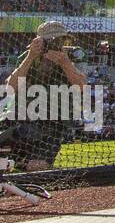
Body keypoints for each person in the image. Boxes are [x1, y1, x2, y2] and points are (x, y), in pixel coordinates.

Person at [3, 21, 87, 172]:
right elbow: (10, 88)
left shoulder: (71, 57)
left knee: (37, 167)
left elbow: (82, 87)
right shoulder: (28, 56)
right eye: (53, 40)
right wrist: (30, 58)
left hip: (53, 123)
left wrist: (65, 62)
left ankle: (21, 166)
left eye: (62, 40)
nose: (57, 44)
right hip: (21, 118)